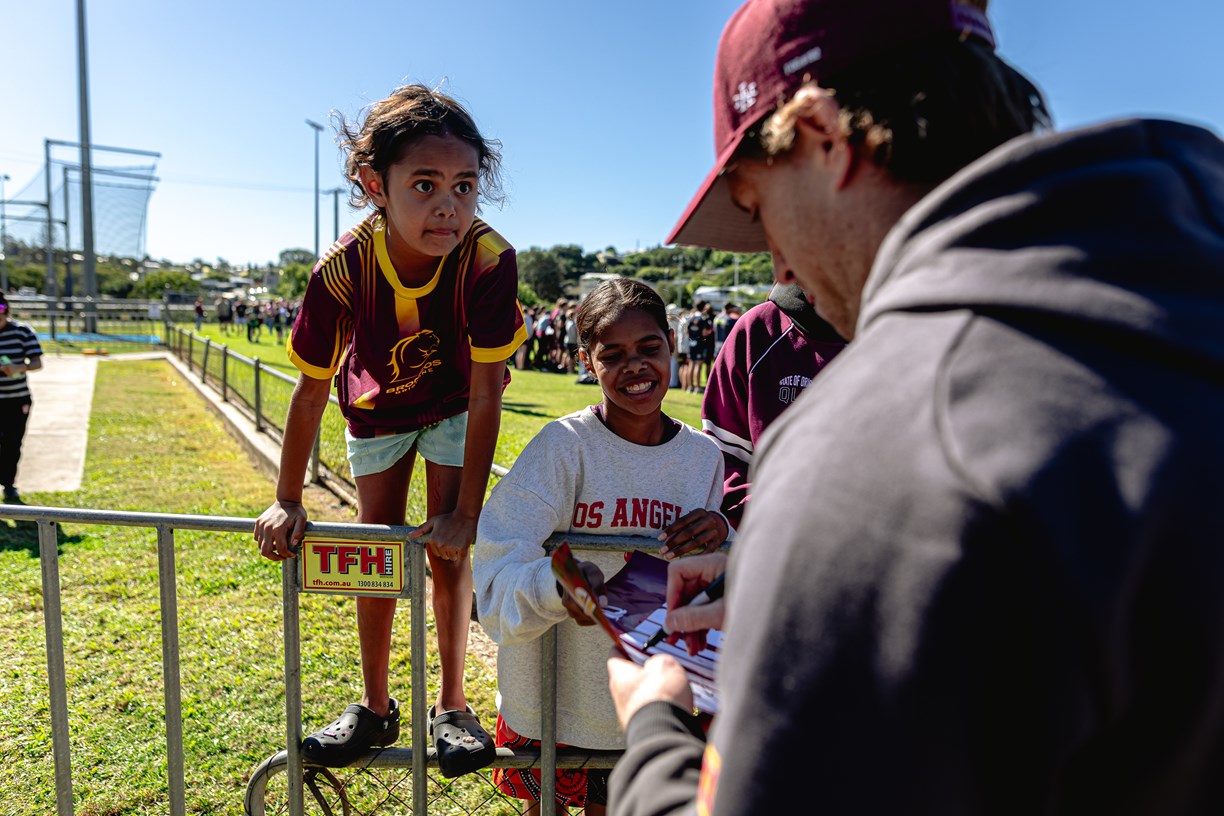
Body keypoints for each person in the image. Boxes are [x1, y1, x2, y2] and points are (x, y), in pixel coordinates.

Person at [607, 0, 1224, 814]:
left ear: (825, 135)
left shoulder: (881, 445)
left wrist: (656, 737)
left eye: (760, 211)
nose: (780, 265)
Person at [254, 83, 526, 776]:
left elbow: (490, 388)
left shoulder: (489, 260)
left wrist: (467, 513)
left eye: (465, 186)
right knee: (375, 542)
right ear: (375, 183)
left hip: (456, 399)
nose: (449, 206)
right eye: (426, 184)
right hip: (374, 405)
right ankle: (375, 709)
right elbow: (312, 389)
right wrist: (288, 497)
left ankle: (454, 708)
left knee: (448, 547)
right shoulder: (342, 269)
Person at [473, 278, 730, 814]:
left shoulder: (703, 458)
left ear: (673, 344)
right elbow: (497, 560)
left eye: (649, 348)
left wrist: (721, 538)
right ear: (587, 363)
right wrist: (554, 586)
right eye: (612, 355)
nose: (635, 366)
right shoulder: (562, 449)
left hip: (650, 703)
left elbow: (717, 585)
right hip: (558, 704)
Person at [700, 283, 845, 528]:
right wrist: (773, 514)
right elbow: (722, 459)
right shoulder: (758, 330)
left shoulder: (905, 333)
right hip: (775, 540)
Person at [0, 292, 43, 503]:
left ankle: (8, 484)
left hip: (17, 399)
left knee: (12, 443)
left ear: (6, 311)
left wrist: (19, 367)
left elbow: (37, 362)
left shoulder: (22, 331)